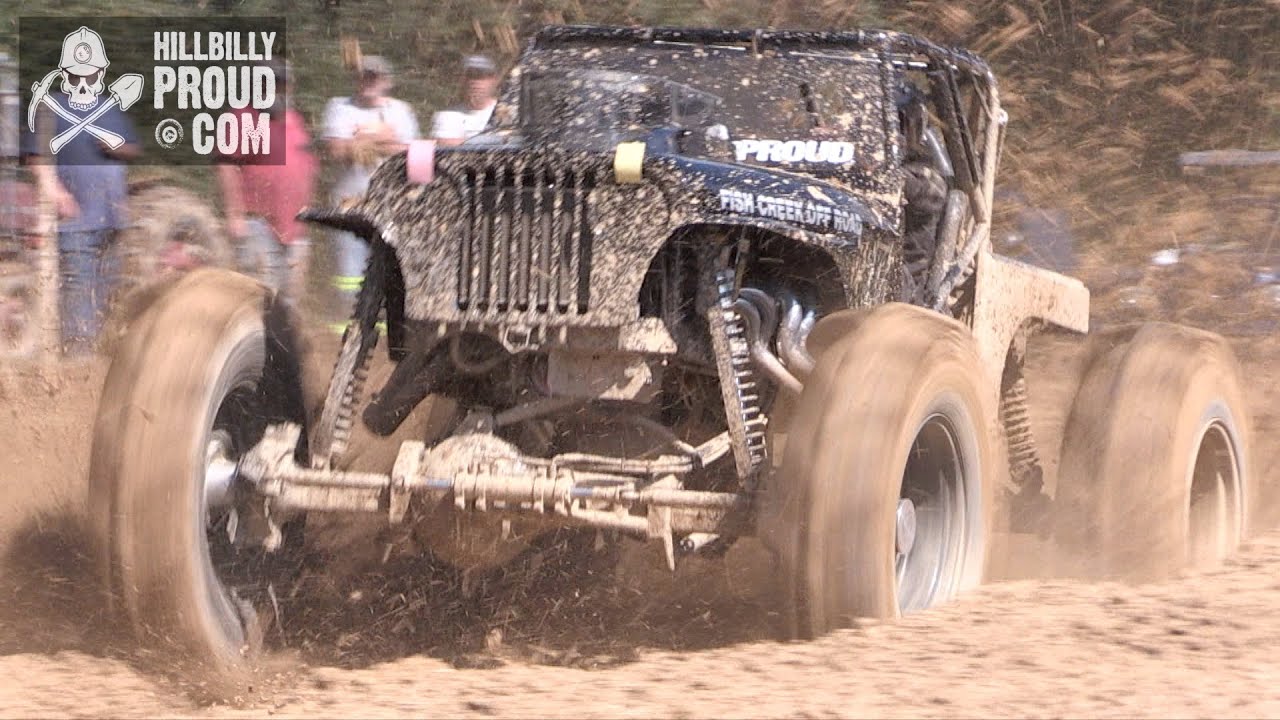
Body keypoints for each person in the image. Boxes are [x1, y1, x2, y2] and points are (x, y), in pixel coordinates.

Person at [22, 26, 139, 357]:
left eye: (90, 76)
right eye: (75, 77)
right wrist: (54, 191)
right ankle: (77, 373)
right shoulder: (49, 109)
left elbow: (132, 150)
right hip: (75, 225)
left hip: (113, 222)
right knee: (79, 305)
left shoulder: (112, 109)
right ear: (64, 75)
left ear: (101, 73)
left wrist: (119, 148)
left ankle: (102, 367)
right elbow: (36, 158)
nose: (84, 83)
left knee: (110, 302)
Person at [217, 59, 318, 303]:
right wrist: (234, 215)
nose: (275, 89)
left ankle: (280, 342)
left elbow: (307, 166)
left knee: (290, 304)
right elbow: (227, 164)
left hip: (295, 228)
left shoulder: (295, 119)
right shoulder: (244, 116)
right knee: (259, 298)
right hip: (258, 225)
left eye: (281, 83)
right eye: (268, 83)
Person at [322, 54, 418, 310]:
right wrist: (385, 137)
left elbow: (411, 154)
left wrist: (363, 137)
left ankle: (382, 336)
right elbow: (337, 150)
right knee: (349, 275)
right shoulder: (339, 107)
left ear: (386, 81)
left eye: (374, 76)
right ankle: (346, 329)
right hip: (348, 205)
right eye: (364, 75)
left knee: (389, 272)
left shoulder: (401, 111)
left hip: (391, 205)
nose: (368, 81)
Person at [430, 55, 499, 147]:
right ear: (462, 80)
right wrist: (496, 141)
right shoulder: (447, 116)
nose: (475, 81)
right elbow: (445, 143)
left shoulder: (508, 113)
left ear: (494, 80)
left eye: (482, 76)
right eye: (471, 75)